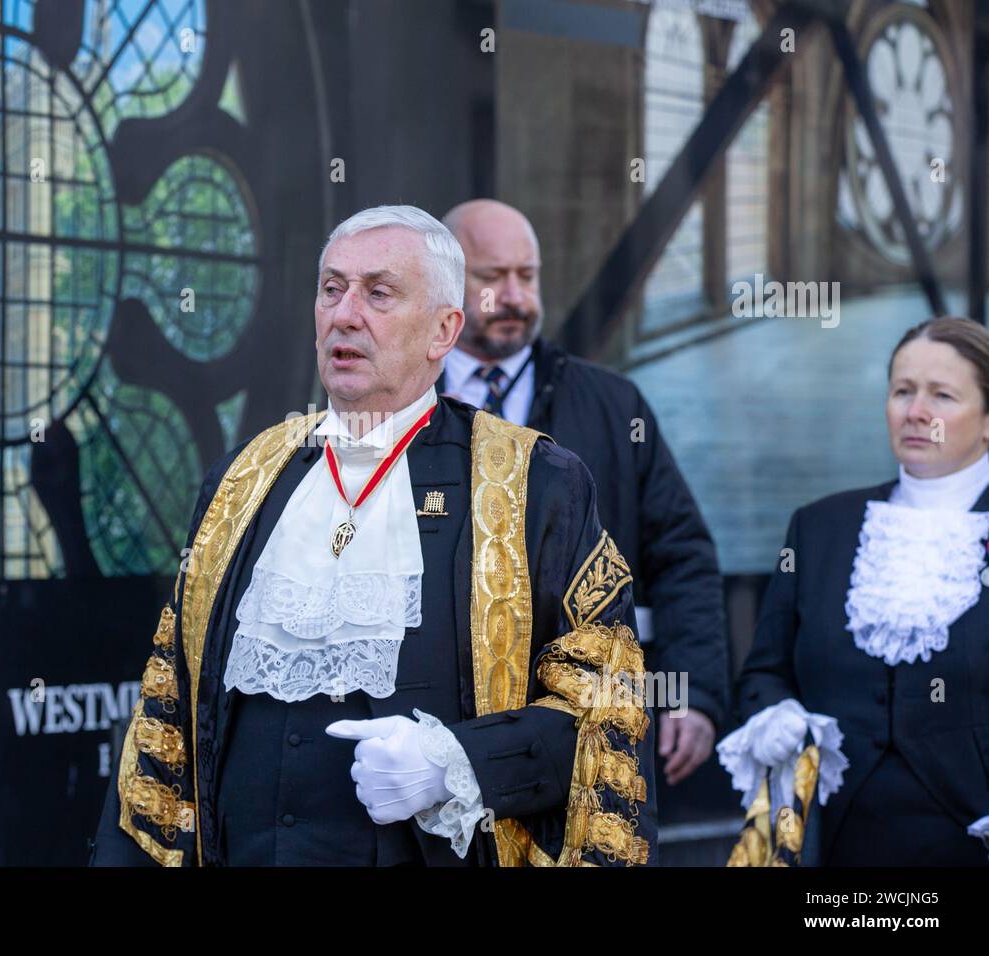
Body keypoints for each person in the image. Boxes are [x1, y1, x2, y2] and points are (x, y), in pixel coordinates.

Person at [89, 205, 656, 866]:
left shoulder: (537, 485)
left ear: (444, 330)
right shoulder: (241, 481)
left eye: (379, 293)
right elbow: (166, 718)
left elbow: (607, 715)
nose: (345, 314)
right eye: (332, 289)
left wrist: (461, 764)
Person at [439, 199, 726, 787]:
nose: (516, 296)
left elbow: (682, 556)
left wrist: (694, 694)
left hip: (592, 728)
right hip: (443, 724)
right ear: (444, 284)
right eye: (492, 277)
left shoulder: (616, 406)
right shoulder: (403, 406)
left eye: (528, 275)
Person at [719, 316, 989, 866]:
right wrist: (777, 715)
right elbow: (765, 671)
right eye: (901, 391)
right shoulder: (820, 529)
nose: (915, 412)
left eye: (942, 395)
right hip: (837, 850)